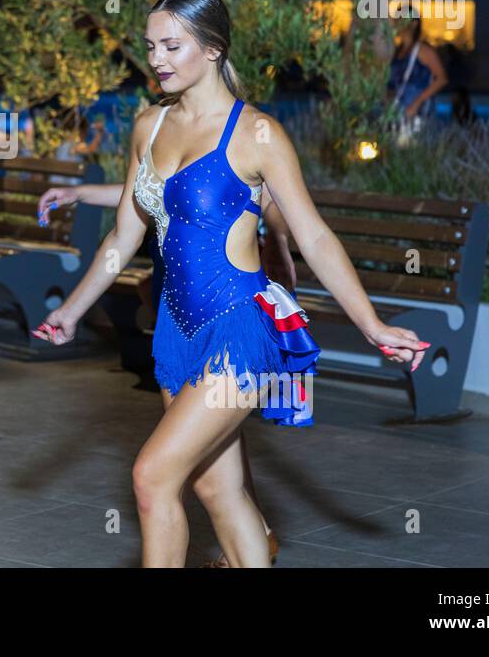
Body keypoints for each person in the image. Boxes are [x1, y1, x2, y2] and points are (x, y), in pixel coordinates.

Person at [34, 0, 428, 567]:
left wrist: (371, 324)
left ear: (213, 49)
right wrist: (70, 309)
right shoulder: (149, 126)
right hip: (173, 331)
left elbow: (314, 235)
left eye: (173, 45)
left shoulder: (257, 134)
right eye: (151, 46)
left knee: (151, 477)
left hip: (239, 329)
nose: (158, 59)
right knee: (216, 487)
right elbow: (124, 236)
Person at [37, 177, 295, 566]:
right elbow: (147, 192)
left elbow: (279, 204)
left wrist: (277, 240)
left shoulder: (246, 129)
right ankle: (255, 536)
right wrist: (82, 193)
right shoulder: (159, 127)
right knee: (213, 477)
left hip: (228, 315)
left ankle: (255, 536)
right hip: (176, 314)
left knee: (164, 472)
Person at [387, 13, 448, 135]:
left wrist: (417, 103)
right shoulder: (397, 51)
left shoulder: (422, 50)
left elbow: (442, 79)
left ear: (414, 23)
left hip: (417, 113)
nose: (396, 23)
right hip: (396, 111)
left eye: (400, 19)